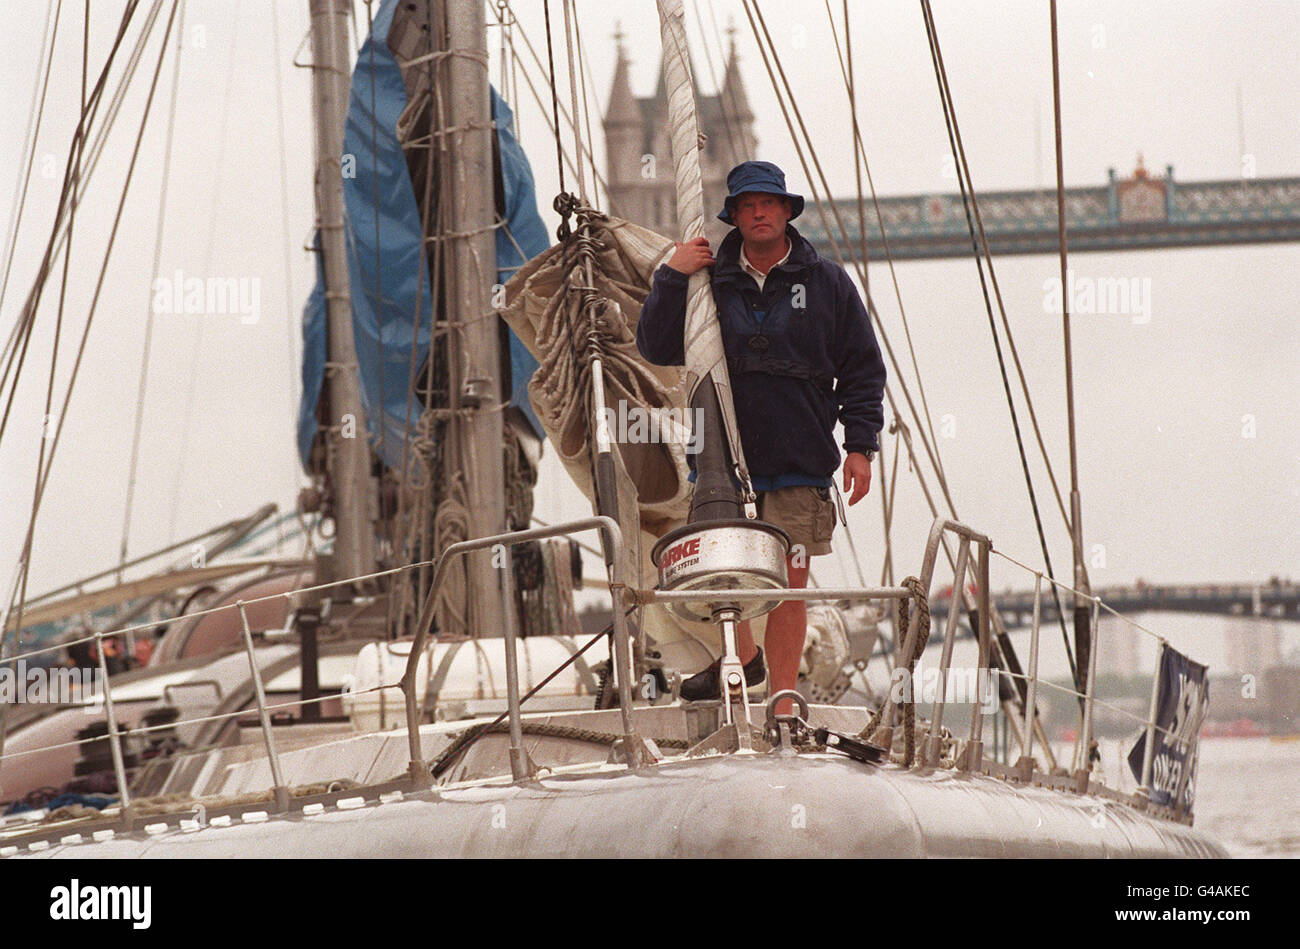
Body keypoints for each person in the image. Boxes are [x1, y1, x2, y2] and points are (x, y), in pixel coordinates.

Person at [636, 160, 886, 711]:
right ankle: (745, 662)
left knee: (789, 585)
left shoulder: (827, 283)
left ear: (786, 210)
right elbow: (655, 348)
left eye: (768, 203)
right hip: (722, 457)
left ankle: (782, 699)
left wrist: (862, 446)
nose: (758, 212)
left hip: (801, 456)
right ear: (735, 216)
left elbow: (863, 368)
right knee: (733, 578)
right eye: (747, 205)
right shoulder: (705, 281)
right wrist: (672, 275)